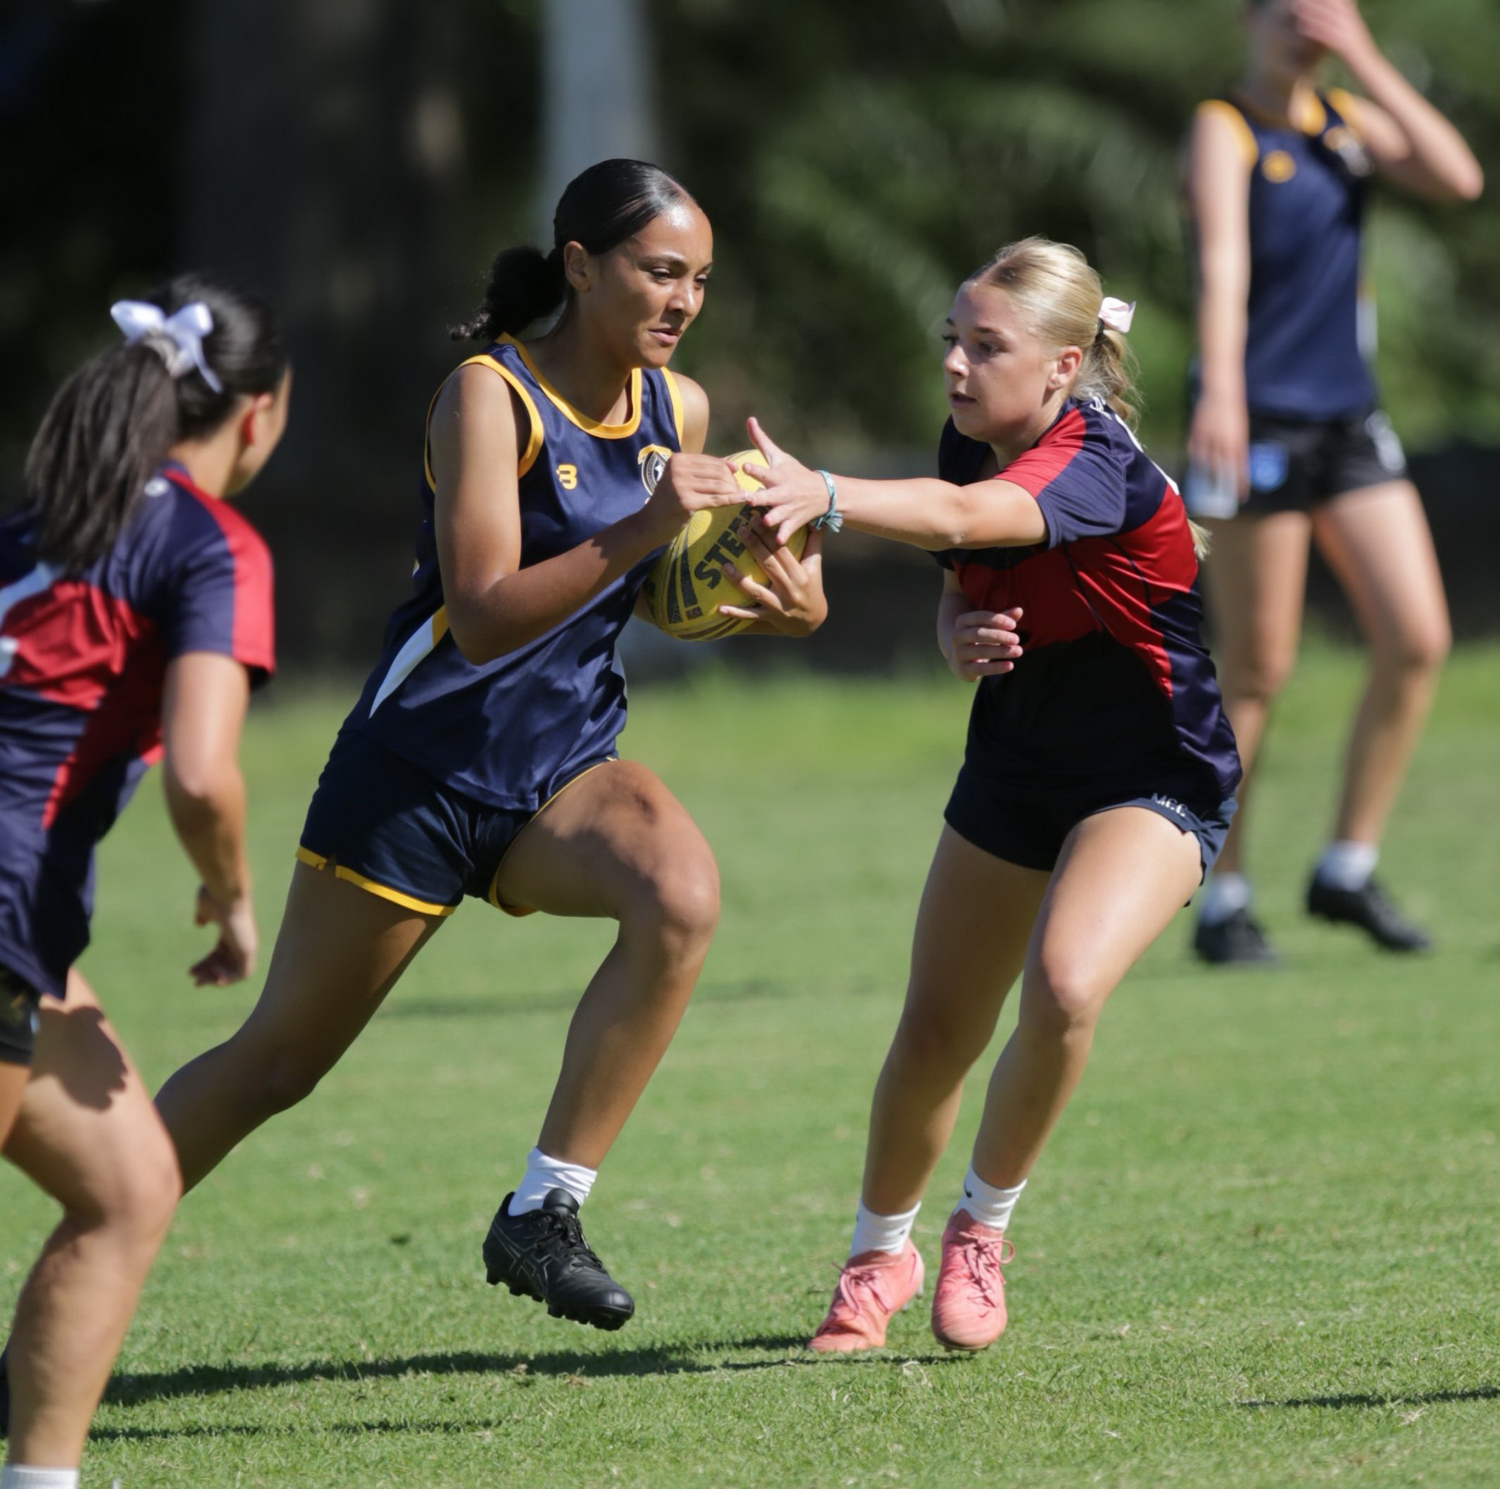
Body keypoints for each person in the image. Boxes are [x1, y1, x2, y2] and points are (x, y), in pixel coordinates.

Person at [150, 159, 827, 1337]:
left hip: (562, 770)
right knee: (277, 1066)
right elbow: (484, 611)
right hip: (417, 773)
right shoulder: (489, 395)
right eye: (659, 271)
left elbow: (657, 596)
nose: (682, 300)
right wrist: (647, 525)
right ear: (580, 265)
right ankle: (84, 1242)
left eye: (701, 280)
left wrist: (770, 599)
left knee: (681, 892)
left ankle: (543, 1210)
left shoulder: (683, 410)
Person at [743, 238, 1241, 1353]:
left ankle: (984, 1225)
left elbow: (969, 521)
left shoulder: (1094, 463)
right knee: (934, 1031)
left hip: (1154, 771)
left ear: (1065, 367)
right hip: (1017, 762)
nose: (958, 368)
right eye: (952, 343)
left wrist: (822, 492)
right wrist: (956, 632)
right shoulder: (968, 444)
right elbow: (963, 570)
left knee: (1063, 984)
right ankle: (878, 1255)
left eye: (987, 347)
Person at [0, 279, 288, 1485]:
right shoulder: (208, 544)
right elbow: (204, 775)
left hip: (21, 934)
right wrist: (229, 891)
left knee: (127, 1183)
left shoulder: (31, 525)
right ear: (259, 417)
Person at [1182, 0, 1482, 964]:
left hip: (1348, 418)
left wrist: (1364, 57)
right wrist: (1221, 395)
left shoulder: (1349, 118)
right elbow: (1221, 269)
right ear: (1248, 17)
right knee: (1260, 667)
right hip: (1255, 418)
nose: (1306, 21)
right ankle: (1220, 890)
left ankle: (1346, 867)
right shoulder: (1224, 125)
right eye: (1288, 8)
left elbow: (1458, 176)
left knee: (1417, 636)